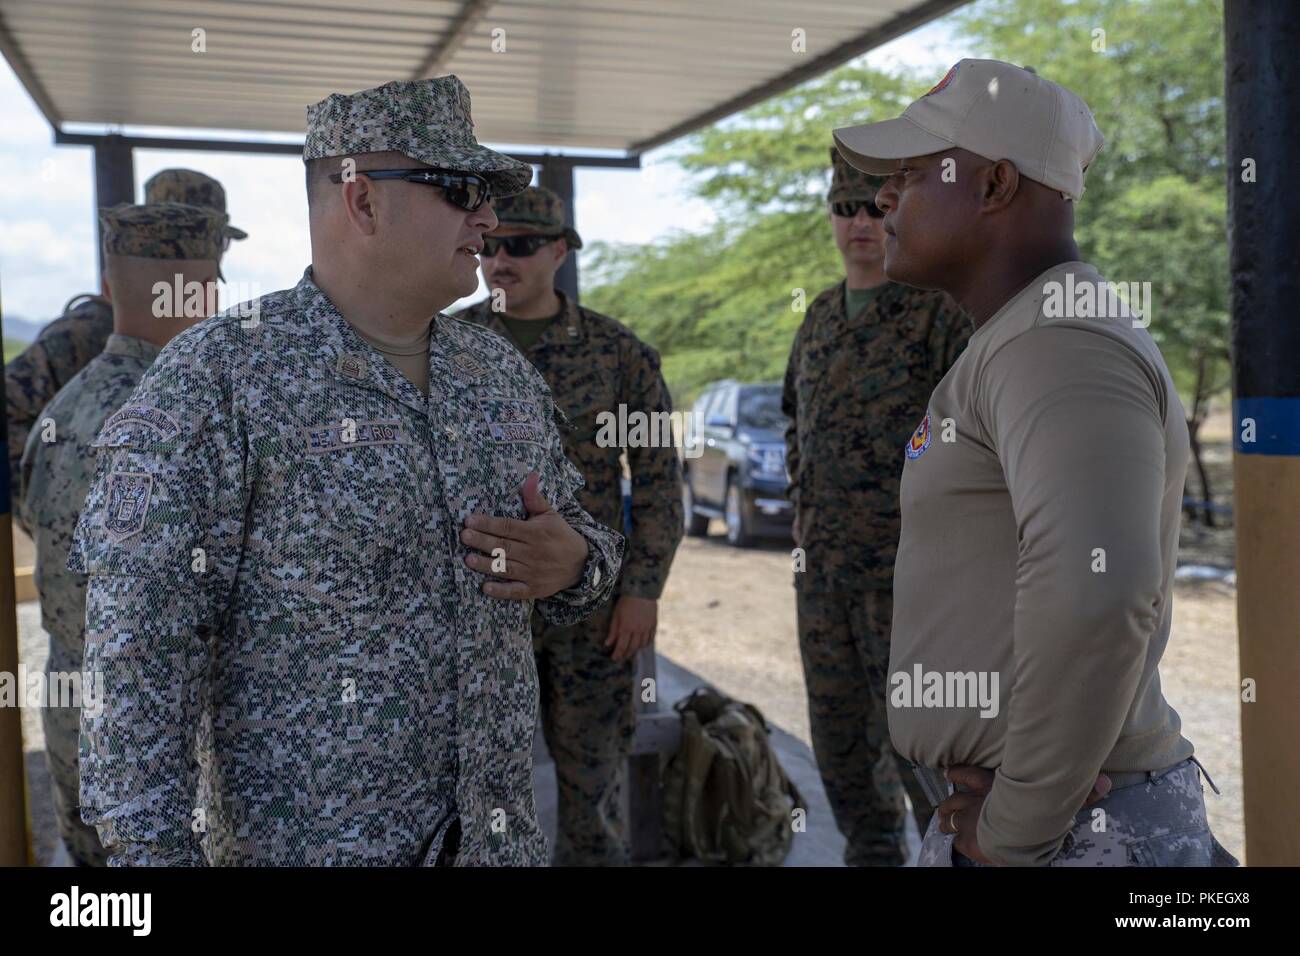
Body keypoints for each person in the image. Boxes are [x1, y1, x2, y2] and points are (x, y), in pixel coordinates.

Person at [69, 76, 624, 866]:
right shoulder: (220, 379)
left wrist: (577, 564)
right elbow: (135, 668)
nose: (490, 219)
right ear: (362, 200)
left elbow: (581, 546)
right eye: (462, 189)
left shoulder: (497, 374)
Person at [834, 58, 1236, 866]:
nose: (882, 198)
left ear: (994, 187)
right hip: (1041, 816)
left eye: (911, 174)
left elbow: (1101, 589)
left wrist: (1018, 827)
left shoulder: (1059, 341)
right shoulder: (1022, 337)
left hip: (1075, 830)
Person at [458, 186, 683, 864]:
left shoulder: (620, 354)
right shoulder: (450, 347)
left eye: (521, 247)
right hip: (484, 609)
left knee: (593, 792)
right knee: (484, 797)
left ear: (558, 251)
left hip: (594, 616)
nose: (502, 261)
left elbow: (657, 482)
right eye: (492, 245)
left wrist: (642, 590)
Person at [19, 202, 226, 866]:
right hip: (163, 738)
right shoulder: (192, 414)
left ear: (108, 288)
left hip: (73, 718)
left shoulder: (62, 407)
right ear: (206, 290)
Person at [781, 146, 969, 866]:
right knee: (840, 752)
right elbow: (796, 418)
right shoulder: (821, 317)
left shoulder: (935, 314)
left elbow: (974, 435)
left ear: (894, 213)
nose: (858, 223)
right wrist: (804, 503)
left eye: (873, 207)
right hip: (825, 577)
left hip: (912, 581)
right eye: (844, 209)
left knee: (929, 756)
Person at [5, 169, 246, 486]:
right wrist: (53, 480)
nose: (216, 249)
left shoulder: (187, 337)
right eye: (205, 237)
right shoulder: (84, 333)